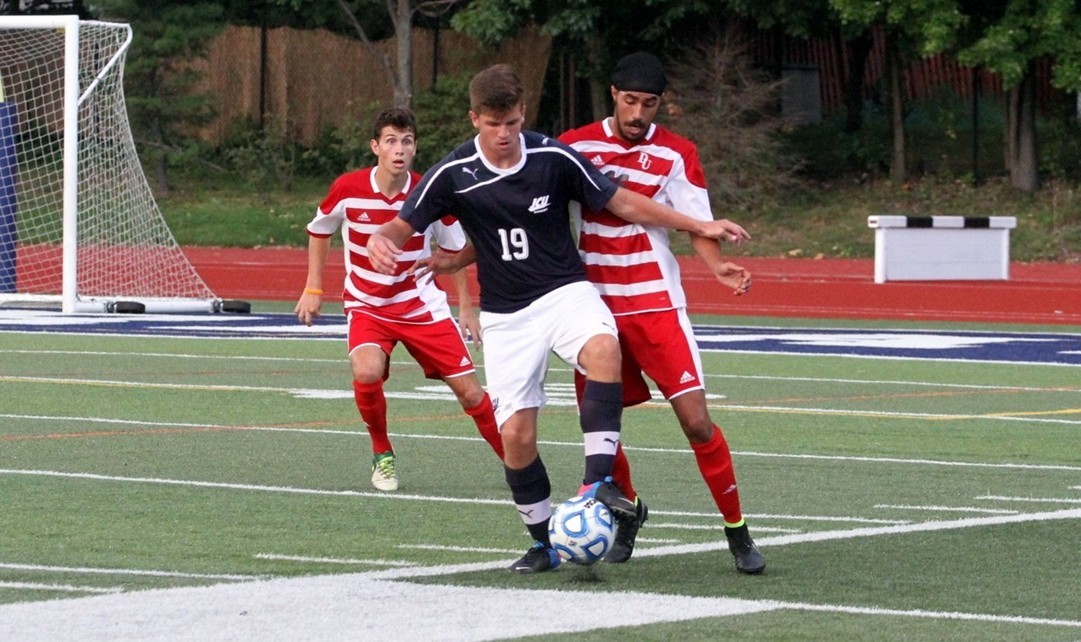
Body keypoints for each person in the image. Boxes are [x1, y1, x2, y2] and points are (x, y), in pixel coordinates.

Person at [366, 64, 748, 574]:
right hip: (506, 317)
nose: (503, 135)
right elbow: (400, 224)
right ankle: (544, 541)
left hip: (566, 291)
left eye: (512, 123)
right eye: (492, 124)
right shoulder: (452, 172)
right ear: (474, 119)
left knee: (602, 349)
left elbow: (624, 202)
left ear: (523, 114)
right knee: (517, 438)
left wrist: (700, 225)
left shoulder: (552, 154)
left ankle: (598, 483)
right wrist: (379, 241)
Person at [558, 52, 765, 573]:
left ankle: (737, 530)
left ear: (659, 104)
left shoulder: (677, 153)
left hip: (655, 303)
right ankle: (627, 512)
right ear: (612, 94)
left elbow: (699, 222)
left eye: (648, 104)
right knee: (599, 425)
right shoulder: (573, 146)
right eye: (630, 101)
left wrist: (716, 266)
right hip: (593, 309)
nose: (638, 113)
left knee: (696, 421)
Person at [295, 107, 504, 493]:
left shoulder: (429, 192)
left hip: (421, 305)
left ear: (415, 147)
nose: (399, 149)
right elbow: (319, 230)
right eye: (391, 140)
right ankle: (382, 452)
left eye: (406, 141)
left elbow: (453, 249)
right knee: (367, 371)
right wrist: (313, 287)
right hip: (368, 305)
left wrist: (465, 307)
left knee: (471, 392)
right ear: (375, 146)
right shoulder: (348, 188)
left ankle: (515, 463)